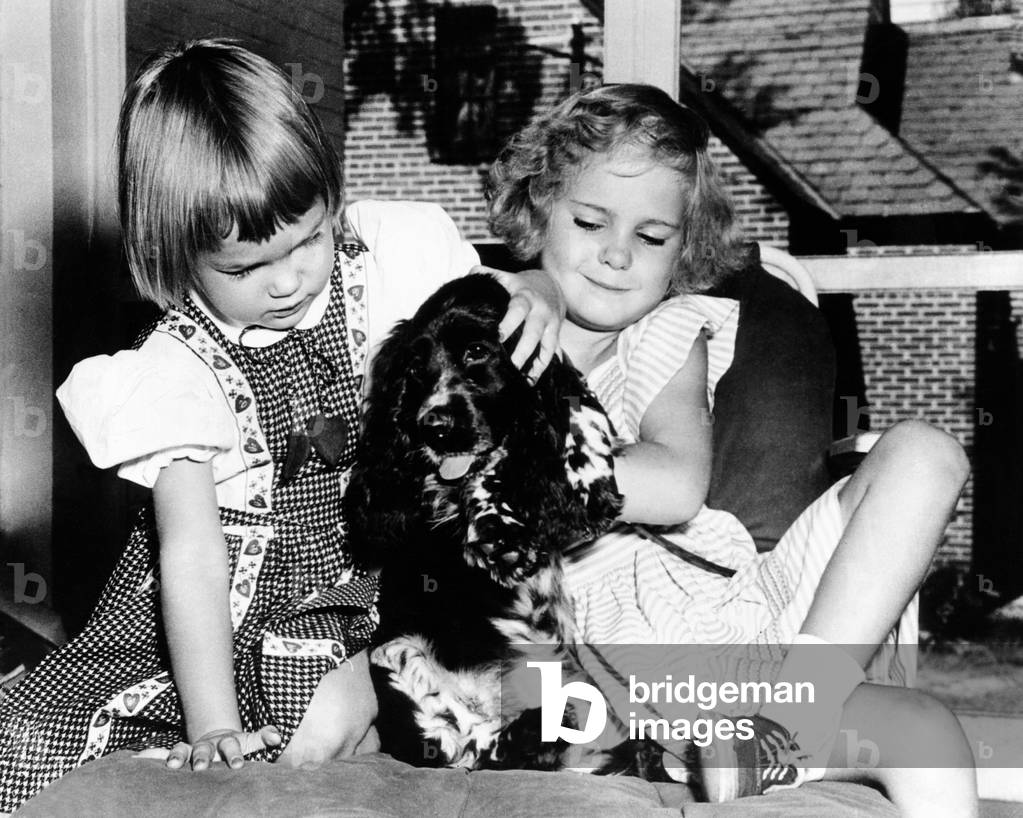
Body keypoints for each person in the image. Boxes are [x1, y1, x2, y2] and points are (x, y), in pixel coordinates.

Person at [0, 39, 563, 814]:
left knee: (455, 669)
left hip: (374, 566)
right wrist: (213, 728)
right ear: (176, 253)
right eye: (244, 268)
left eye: (309, 239)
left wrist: (538, 289)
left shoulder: (387, 258)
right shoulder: (176, 366)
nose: (290, 280)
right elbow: (192, 556)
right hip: (233, 609)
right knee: (52, 747)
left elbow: (490, 298)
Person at [485, 83, 977, 818]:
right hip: (603, 672)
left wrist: (520, 469)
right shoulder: (479, 330)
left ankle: (782, 734)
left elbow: (677, 485)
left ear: (683, 249)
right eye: (590, 222)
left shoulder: (663, 336)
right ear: (537, 210)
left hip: (747, 631)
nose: (617, 254)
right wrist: (531, 292)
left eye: (653, 237)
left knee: (927, 457)